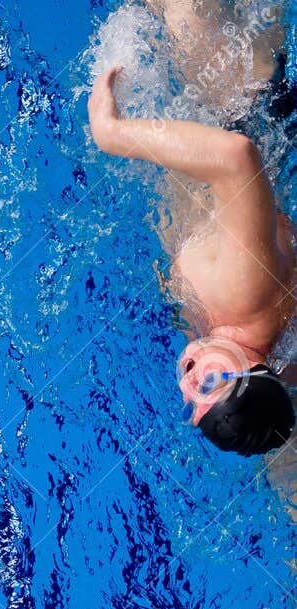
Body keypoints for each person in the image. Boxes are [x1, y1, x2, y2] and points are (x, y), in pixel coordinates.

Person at [88, 0, 297, 456]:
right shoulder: (245, 296)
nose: (187, 384)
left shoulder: (258, 353)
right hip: (238, 100)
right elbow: (238, 158)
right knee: (184, 9)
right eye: (210, 383)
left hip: (227, 112)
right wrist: (114, 134)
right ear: (248, 371)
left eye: (191, 403)